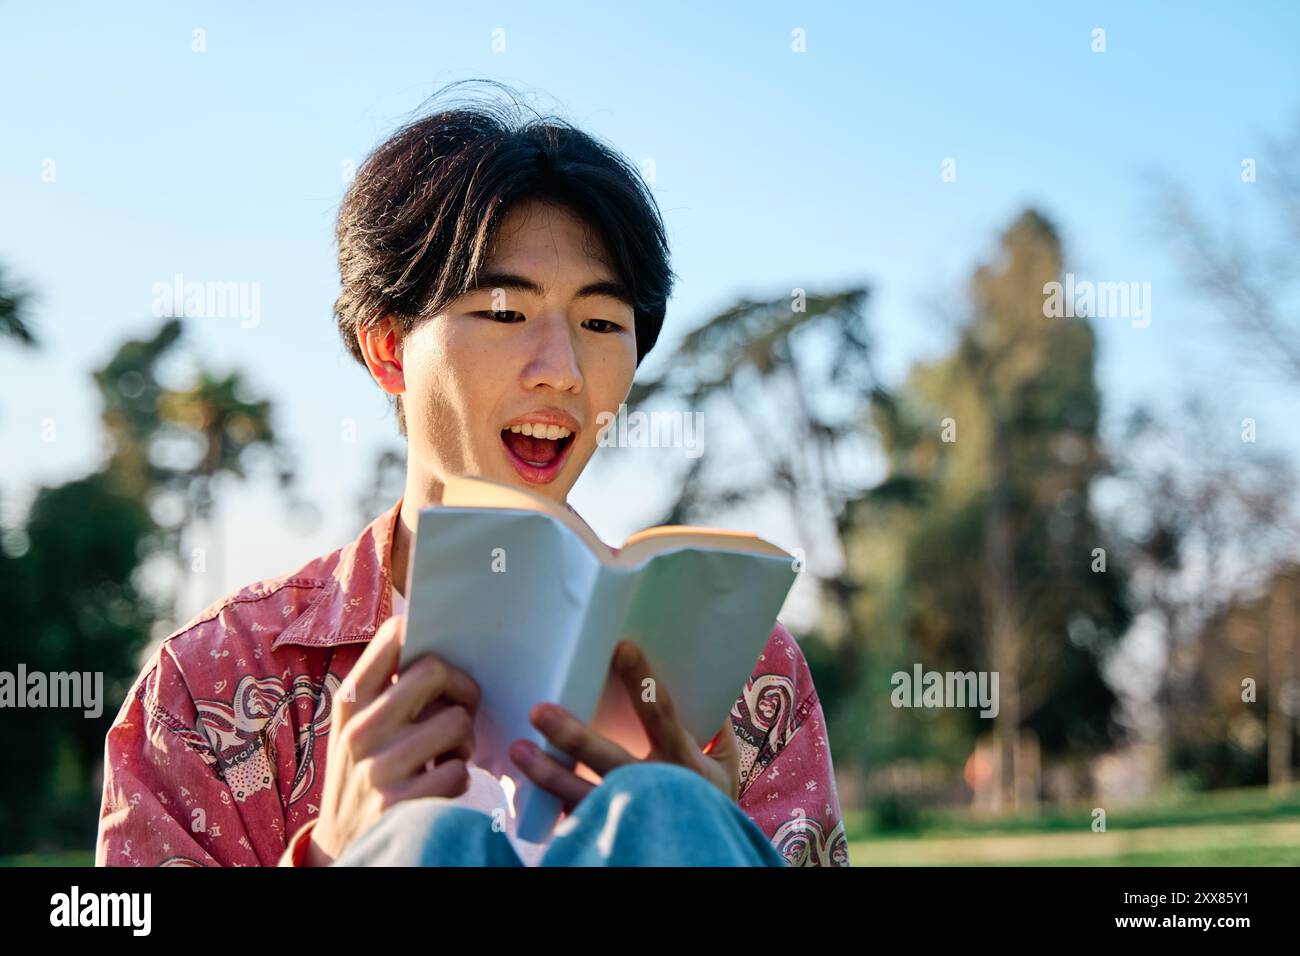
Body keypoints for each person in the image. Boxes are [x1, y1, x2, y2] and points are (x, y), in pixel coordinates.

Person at [94, 81, 850, 868]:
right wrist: (330, 853)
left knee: (666, 808)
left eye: (600, 324)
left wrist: (700, 836)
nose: (561, 372)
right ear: (388, 346)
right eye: (502, 312)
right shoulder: (213, 681)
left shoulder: (744, 672)